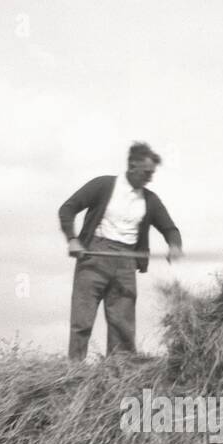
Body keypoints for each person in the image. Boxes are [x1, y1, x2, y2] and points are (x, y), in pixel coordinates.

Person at [58, 142, 183, 360]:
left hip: (127, 262)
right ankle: (74, 371)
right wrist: (73, 239)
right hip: (95, 256)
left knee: (122, 326)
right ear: (132, 165)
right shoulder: (103, 185)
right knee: (82, 320)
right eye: (146, 173)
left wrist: (174, 246)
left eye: (152, 173)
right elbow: (67, 209)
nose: (149, 178)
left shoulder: (150, 200)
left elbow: (170, 228)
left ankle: (118, 375)